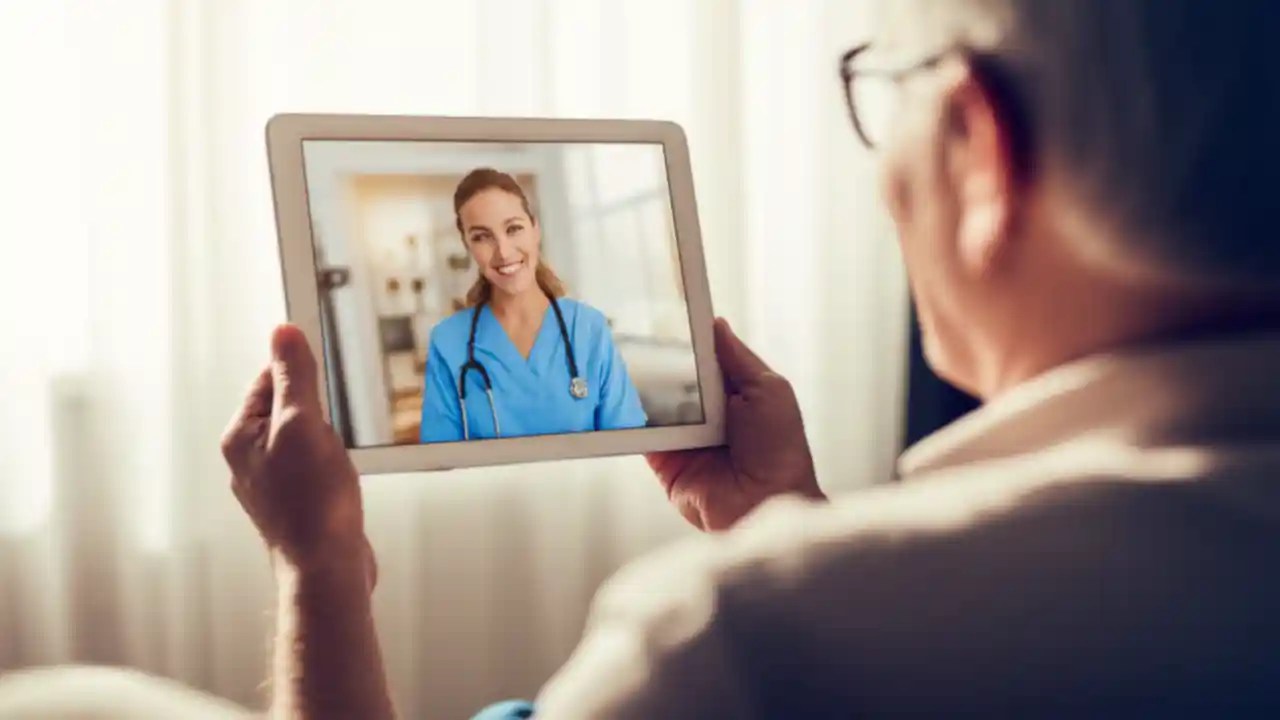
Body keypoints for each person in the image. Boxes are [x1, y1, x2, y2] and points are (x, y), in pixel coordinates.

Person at [221, 0, 1280, 717]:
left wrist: (316, 573)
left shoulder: (739, 640)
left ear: (977, 148)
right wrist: (784, 518)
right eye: (483, 235)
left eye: (886, 91)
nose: (506, 249)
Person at [419, 168, 647, 442]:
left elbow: (629, 448)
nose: (503, 251)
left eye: (513, 229)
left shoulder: (588, 329)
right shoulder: (448, 342)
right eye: (482, 237)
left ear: (535, 229)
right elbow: (441, 463)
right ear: (467, 245)